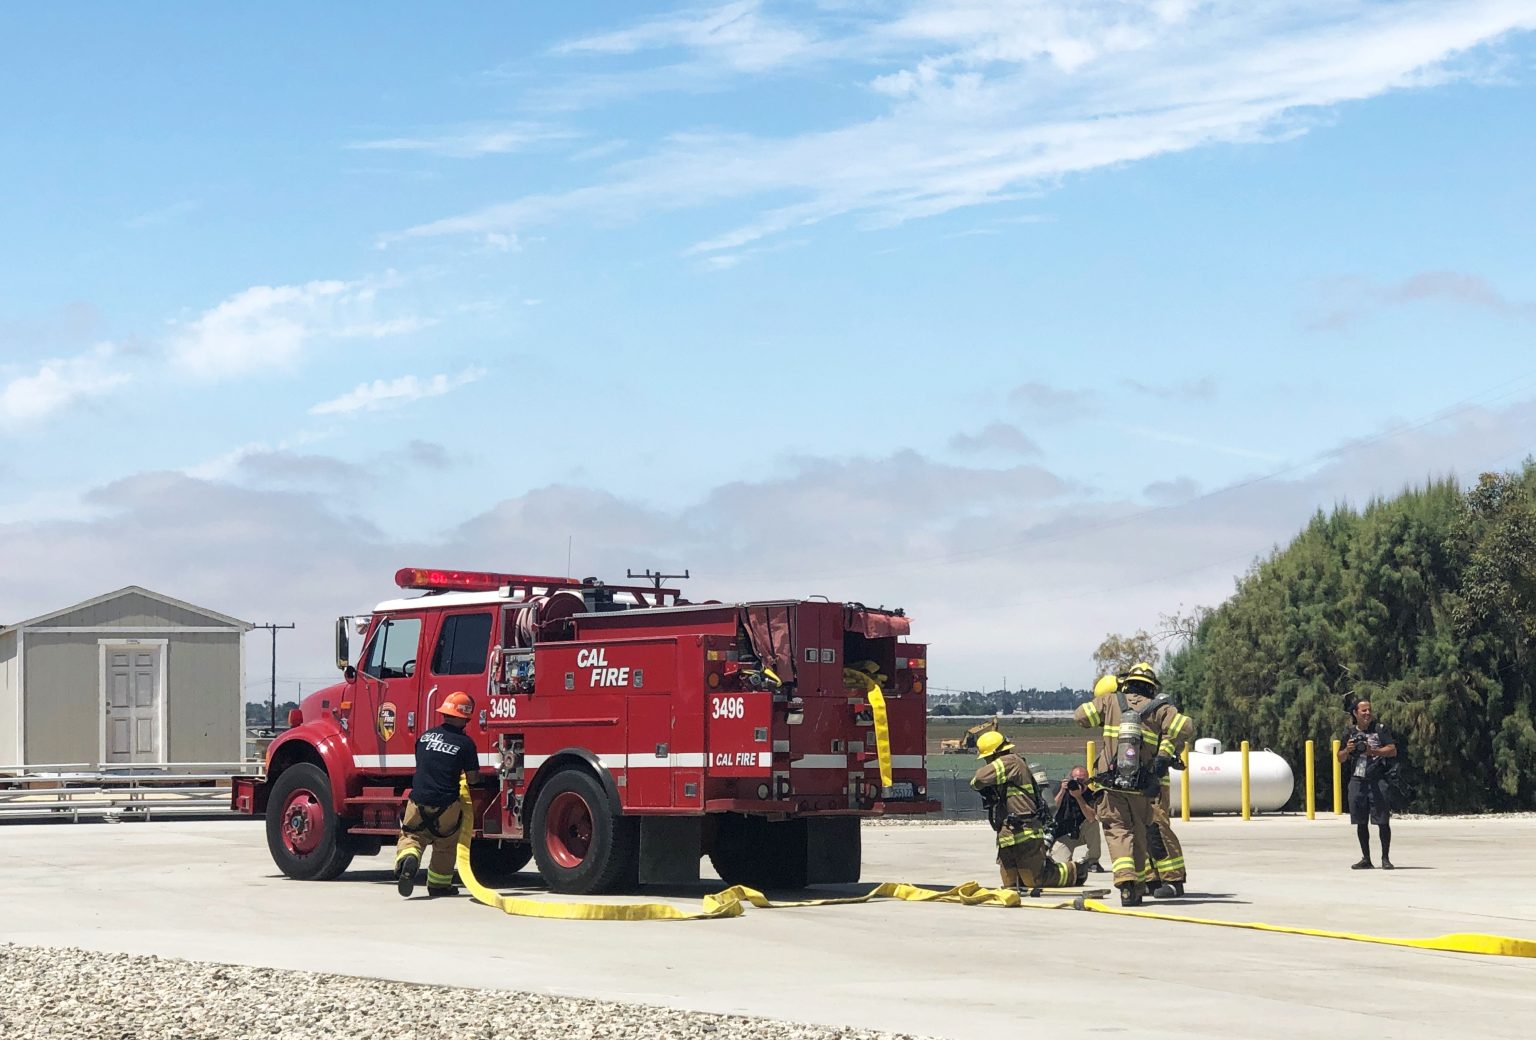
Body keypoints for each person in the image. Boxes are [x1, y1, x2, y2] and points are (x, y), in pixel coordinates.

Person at [1075, 665, 1185, 906]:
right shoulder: (1161, 708)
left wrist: (1103, 702)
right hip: (1142, 786)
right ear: (1151, 685)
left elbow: (1080, 716)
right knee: (1142, 832)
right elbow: (1184, 727)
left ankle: (1135, 884)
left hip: (1112, 783)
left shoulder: (1111, 702)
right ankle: (1145, 881)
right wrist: (1164, 756)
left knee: (1121, 832)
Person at [970, 730, 1086, 891]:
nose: (986, 762)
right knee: (1010, 883)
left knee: (1034, 880)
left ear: (995, 752)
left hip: (1025, 829)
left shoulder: (1010, 761)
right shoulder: (1004, 769)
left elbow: (980, 778)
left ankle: (1075, 870)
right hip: (1007, 831)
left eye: (987, 757)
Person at [395, 691, 483, 898]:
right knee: (446, 844)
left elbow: (425, 766)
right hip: (446, 805)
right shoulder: (466, 744)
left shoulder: (424, 738)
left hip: (417, 801)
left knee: (412, 836)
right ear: (466, 717)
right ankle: (438, 885)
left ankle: (410, 859)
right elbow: (472, 779)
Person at [1337, 698, 1398, 870]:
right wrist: (1347, 750)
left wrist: (1374, 751)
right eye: (1363, 710)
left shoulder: (1380, 729)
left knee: (1382, 820)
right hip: (1357, 780)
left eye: (1369, 710)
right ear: (1355, 713)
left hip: (1377, 779)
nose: (1367, 713)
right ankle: (1366, 858)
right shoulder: (1349, 733)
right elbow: (1339, 758)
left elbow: (1392, 750)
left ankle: (1385, 858)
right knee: (1360, 821)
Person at [1050, 766, 1105, 872]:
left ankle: (1092, 860)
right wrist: (1062, 790)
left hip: (1082, 832)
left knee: (1093, 824)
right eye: (1077, 780)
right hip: (1064, 835)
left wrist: (1079, 797)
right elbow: (1051, 811)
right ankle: (1074, 862)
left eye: (1082, 780)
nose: (1079, 783)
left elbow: (1091, 818)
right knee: (1061, 865)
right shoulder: (1060, 790)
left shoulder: (1091, 794)